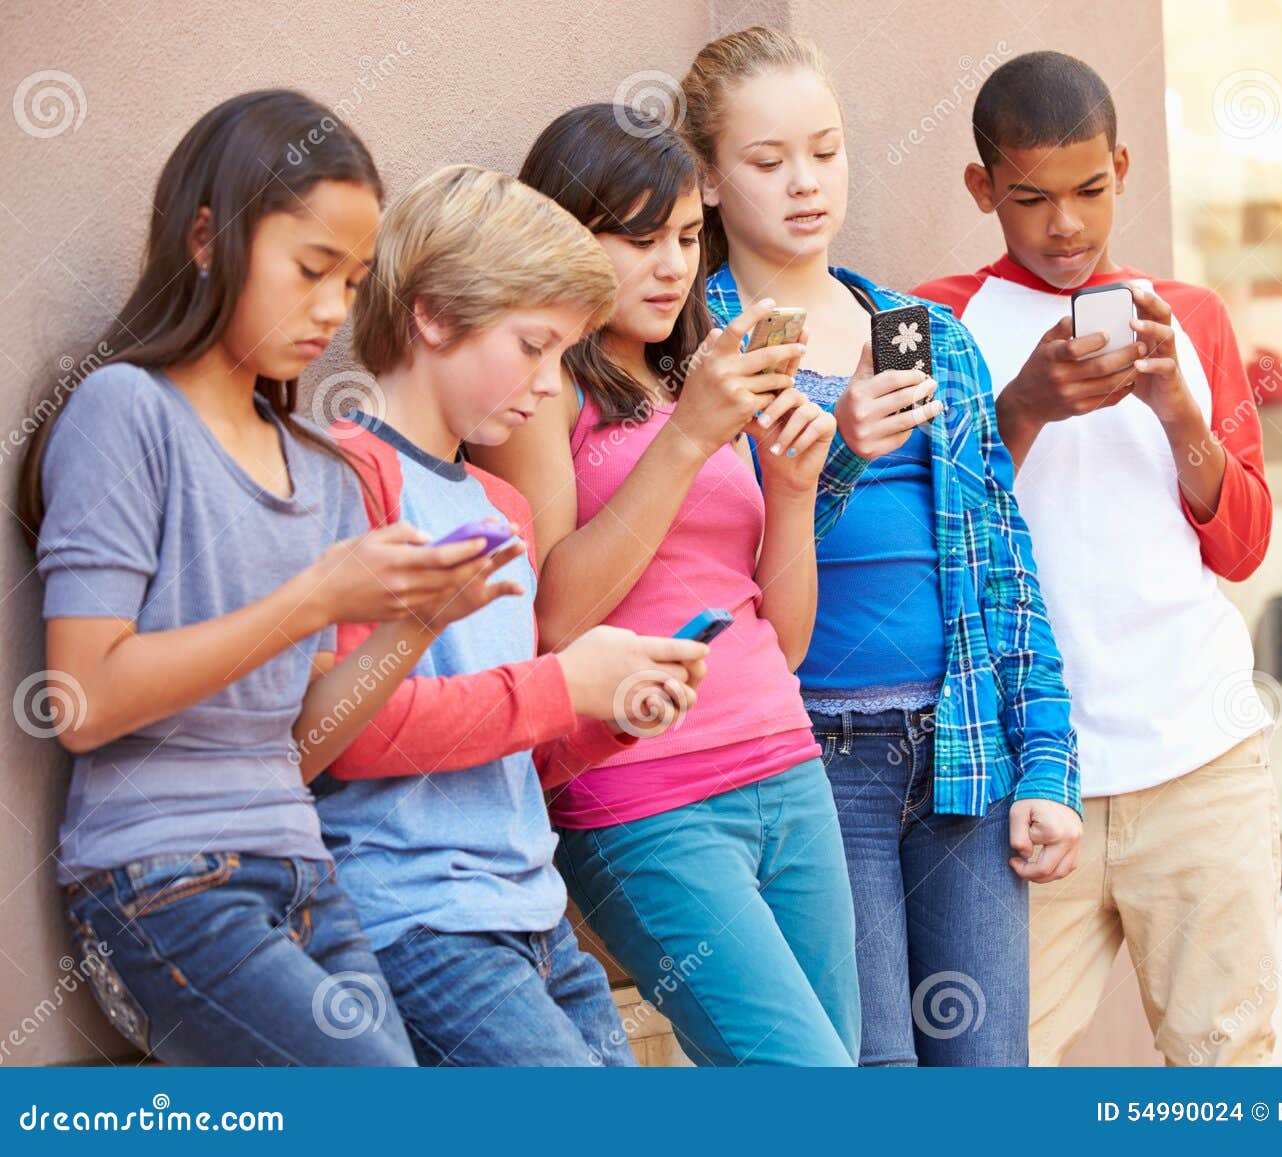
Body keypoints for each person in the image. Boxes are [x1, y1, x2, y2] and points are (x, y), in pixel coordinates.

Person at [21, 91, 507, 1066]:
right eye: (311, 270)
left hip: (303, 872)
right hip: (161, 876)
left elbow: (300, 744)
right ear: (208, 237)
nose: (331, 312)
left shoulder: (321, 469)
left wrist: (417, 623)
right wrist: (314, 596)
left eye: (353, 281)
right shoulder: (127, 413)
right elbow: (81, 700)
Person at [680, 27, 1083, 1066]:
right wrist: (844, 452)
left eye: (825, 149)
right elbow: (722, 580)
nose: (805, 183)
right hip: (812, 758)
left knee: (986, 1074)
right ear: (711, 182)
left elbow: (1003, 563)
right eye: (767, 162)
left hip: (959, 752)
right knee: (871, 1072)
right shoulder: (703, 349)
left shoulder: (921, 332)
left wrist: (1045, 759)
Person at [470, 103, 859, 1067]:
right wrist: (687, 438)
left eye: (687, 235)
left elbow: (789, 638)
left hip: (786, 761)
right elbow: (551, 613)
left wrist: (795, 489)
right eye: (638, 238)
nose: (673, 265)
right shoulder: (546, 386)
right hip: (644, 794)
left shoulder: (690, 376)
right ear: (564, 235)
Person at [914, 50, 1279, 1065]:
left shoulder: (1189, 317)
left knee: (1227, 1061)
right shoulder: (931, 321)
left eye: (1089, 190)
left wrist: (1176, 412)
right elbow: (916, 538)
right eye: (1029, 197)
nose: (1064, 225)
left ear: (1122, 167)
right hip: (1026, 768)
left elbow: (1243, 543)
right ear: (982, 187)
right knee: (988, 1060)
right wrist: (1018, 410)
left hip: (1201, 757)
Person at [313, 164, 711, 1067]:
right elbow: (354, 733)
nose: (547, 381)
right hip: (421, 925)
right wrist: (562, 681)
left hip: (536, 921)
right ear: (433, 316)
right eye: (532, 345)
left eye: (564, 352)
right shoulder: (349, 474)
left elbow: (507, 744)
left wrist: (605, 716)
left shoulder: (503, 506)